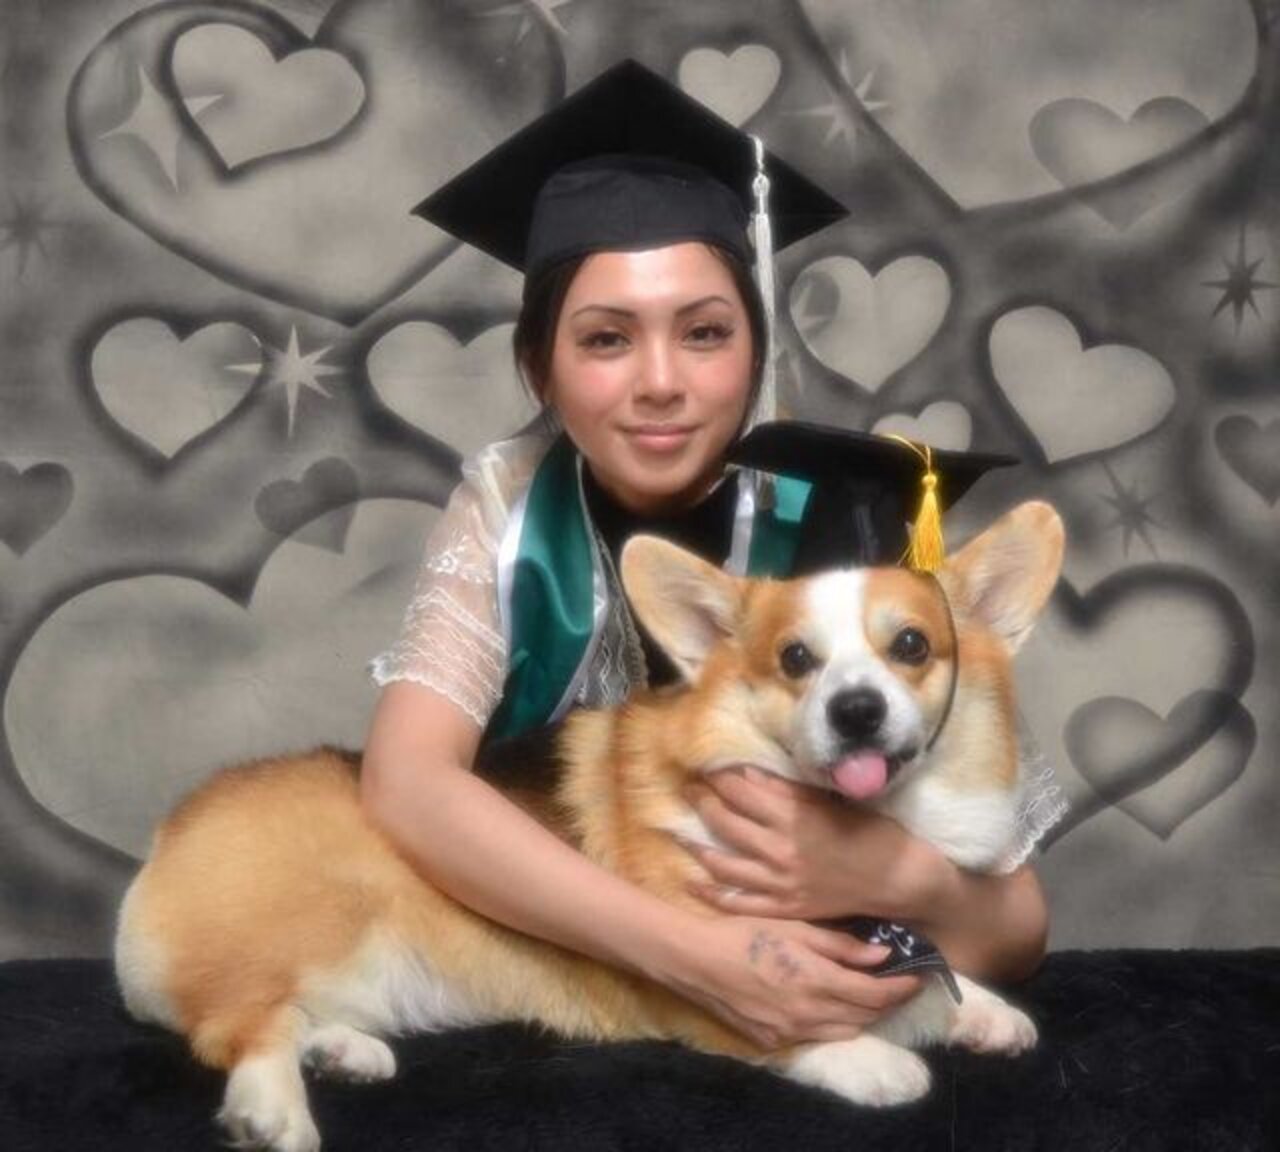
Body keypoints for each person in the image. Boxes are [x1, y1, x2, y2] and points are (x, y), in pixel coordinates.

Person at [360, 60, 1065, 1054]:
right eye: (605, 339)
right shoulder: (505, 513)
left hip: (824, 977)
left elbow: (1015, 930)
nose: (660, 382)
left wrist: (878, 876)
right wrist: (689, 956)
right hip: (562, 970)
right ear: (538, 368)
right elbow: (406, 786)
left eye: (703, 333)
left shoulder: (852, 520)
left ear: (754, 349)